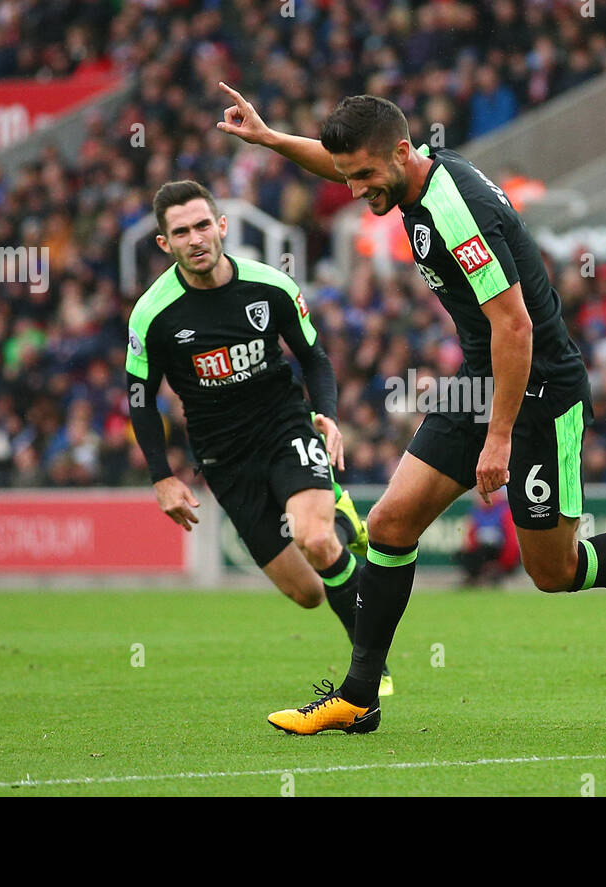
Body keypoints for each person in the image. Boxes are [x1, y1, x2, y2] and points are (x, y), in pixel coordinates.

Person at [216, 83, 606, 735]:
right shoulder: (403, 175)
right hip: (483, 377)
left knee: (555, 571)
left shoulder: (454, 211)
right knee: (390, 524)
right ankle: (360, 696)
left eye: (363, 176)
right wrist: (273, 138)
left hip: (539, 390)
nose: (355, 190)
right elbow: (340, 164)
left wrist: (498, 437)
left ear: (399, 151)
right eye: (349, 176)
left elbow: (517, 327)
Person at [125, 180, 394, 696]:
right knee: (309, 593)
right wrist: (161, 476)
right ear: (165, 244)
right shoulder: (153, 314)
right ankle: (339, 516)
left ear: (222, 226)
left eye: (204, 225)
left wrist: (328, 414)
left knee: (315, 540)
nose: (196, 238)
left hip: (284, 427)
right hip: (224, 458)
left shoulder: (269, 285)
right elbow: (140, 396)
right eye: (181, 232)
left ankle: (368, 669)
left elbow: (314, 357)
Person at [455, 492, 520, 586]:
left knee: (487, 551)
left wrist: (503, 563)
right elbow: (469, 540)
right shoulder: (475, 513)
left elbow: (512, 542)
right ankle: (476, 577)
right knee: (463, 555)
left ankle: (493, 575)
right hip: (482, 552)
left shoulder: (504, 512)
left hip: (499, 551)